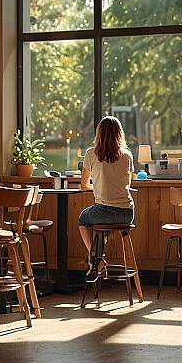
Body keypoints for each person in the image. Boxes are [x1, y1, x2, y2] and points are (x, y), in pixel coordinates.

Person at [78, 116, 135, 283]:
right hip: (127, 213)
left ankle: (95, 258)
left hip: (104, 212)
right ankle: (97, 260)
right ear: (120, 134)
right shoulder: (127, 155)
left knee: (84, 218)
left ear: (99, 134)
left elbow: (84, 185)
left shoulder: (91, 153)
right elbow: (127, 183)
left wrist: (99, 188)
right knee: (102, 230)